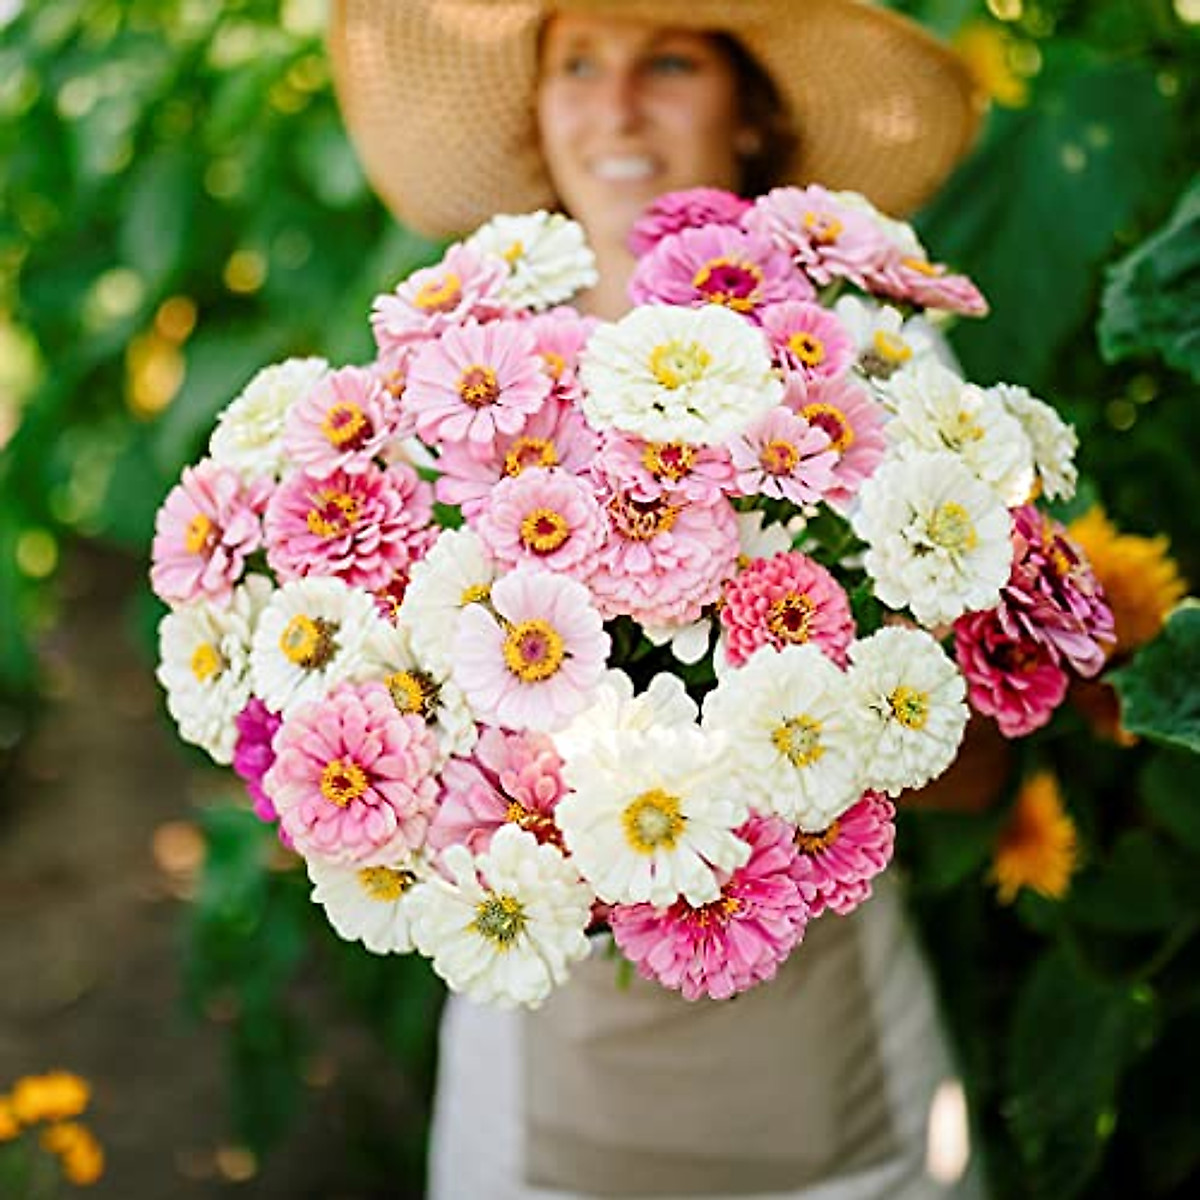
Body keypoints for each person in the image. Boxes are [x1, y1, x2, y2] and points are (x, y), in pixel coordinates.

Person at [328, 3, 990, 1197]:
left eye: (669, 61)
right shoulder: (455, 376)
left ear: (754, 117)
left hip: (819, 1037)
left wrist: (794, 751)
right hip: (543, 1056)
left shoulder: (861, 356)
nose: (616, 105)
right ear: (535, 109)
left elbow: (976, 758)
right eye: (577, 62)